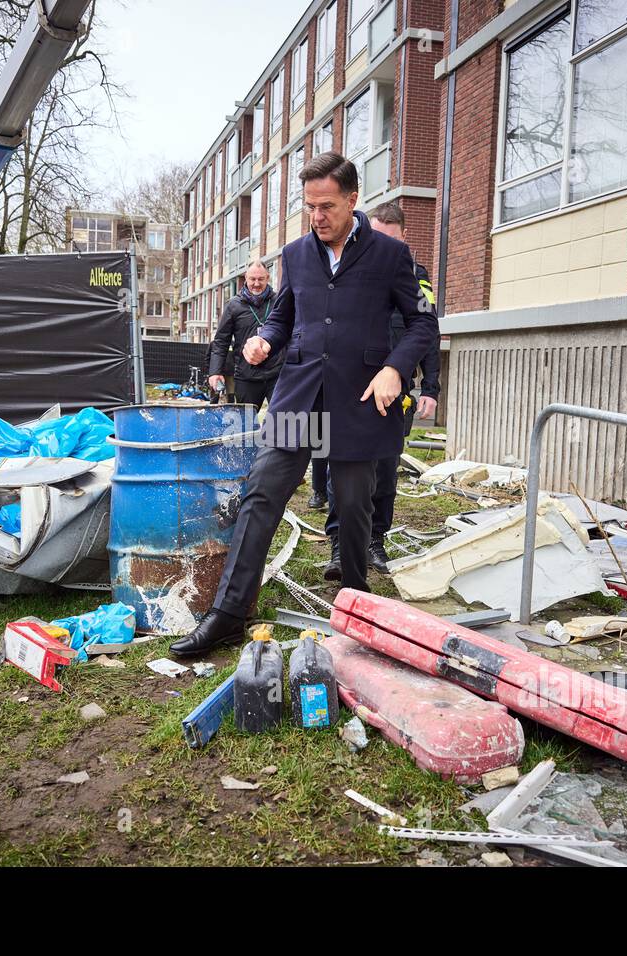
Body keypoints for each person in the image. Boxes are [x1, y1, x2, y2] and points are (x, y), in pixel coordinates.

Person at [169, 152, 438, 656]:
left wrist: (395, 368)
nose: (317, 217)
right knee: (262, 494)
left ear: (353, 199)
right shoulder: (293, 255)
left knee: (354, 506)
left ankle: (356, 609)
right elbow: (283, 316)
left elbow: (424, 322)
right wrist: (264, 340)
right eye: (310, 207)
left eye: (327, 206)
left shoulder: (390, 255)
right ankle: (228, 613)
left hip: (360, 401)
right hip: (300, 396)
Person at [324, 200, 440, 577]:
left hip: (394, 387)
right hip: (349, 385)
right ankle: (340, 546)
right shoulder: (349, 269)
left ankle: (375, 541)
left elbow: (427, 332)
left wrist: (430, 387)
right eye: (377, 236)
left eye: (392, 238)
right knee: (338, 467)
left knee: (385, 470)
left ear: (403, 237)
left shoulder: (416, 275)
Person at [207, 261, 283, 408]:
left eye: (260, 279)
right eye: (252, 279)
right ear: (246, 278)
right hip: (246, 376)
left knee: (282, 423)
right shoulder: (234, 305)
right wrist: (214, 372)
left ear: (268, 278)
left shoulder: (279, 301)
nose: (256, 283)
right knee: (246, 425)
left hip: (277, 375)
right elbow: (221, 341)